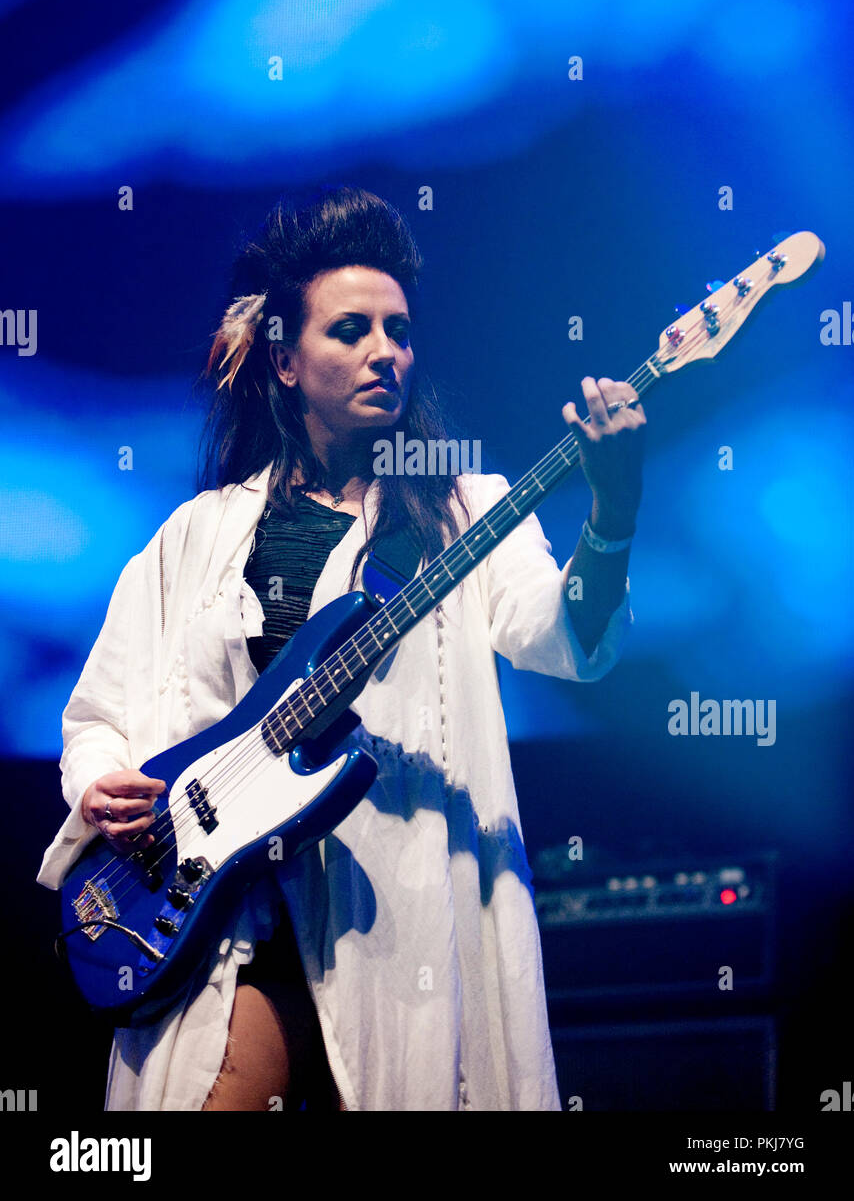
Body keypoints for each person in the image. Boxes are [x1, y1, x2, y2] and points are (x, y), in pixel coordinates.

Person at [37, 186, 645, 1111]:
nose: (384, 353)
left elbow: (568, 640)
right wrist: (100, 781)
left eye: (398, 331)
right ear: (284, 359)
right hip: (218, 917)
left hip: (396, 923)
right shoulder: (197, 535)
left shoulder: (464, 511)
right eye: (351, 329)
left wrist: (614, 511)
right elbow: (100, 715)